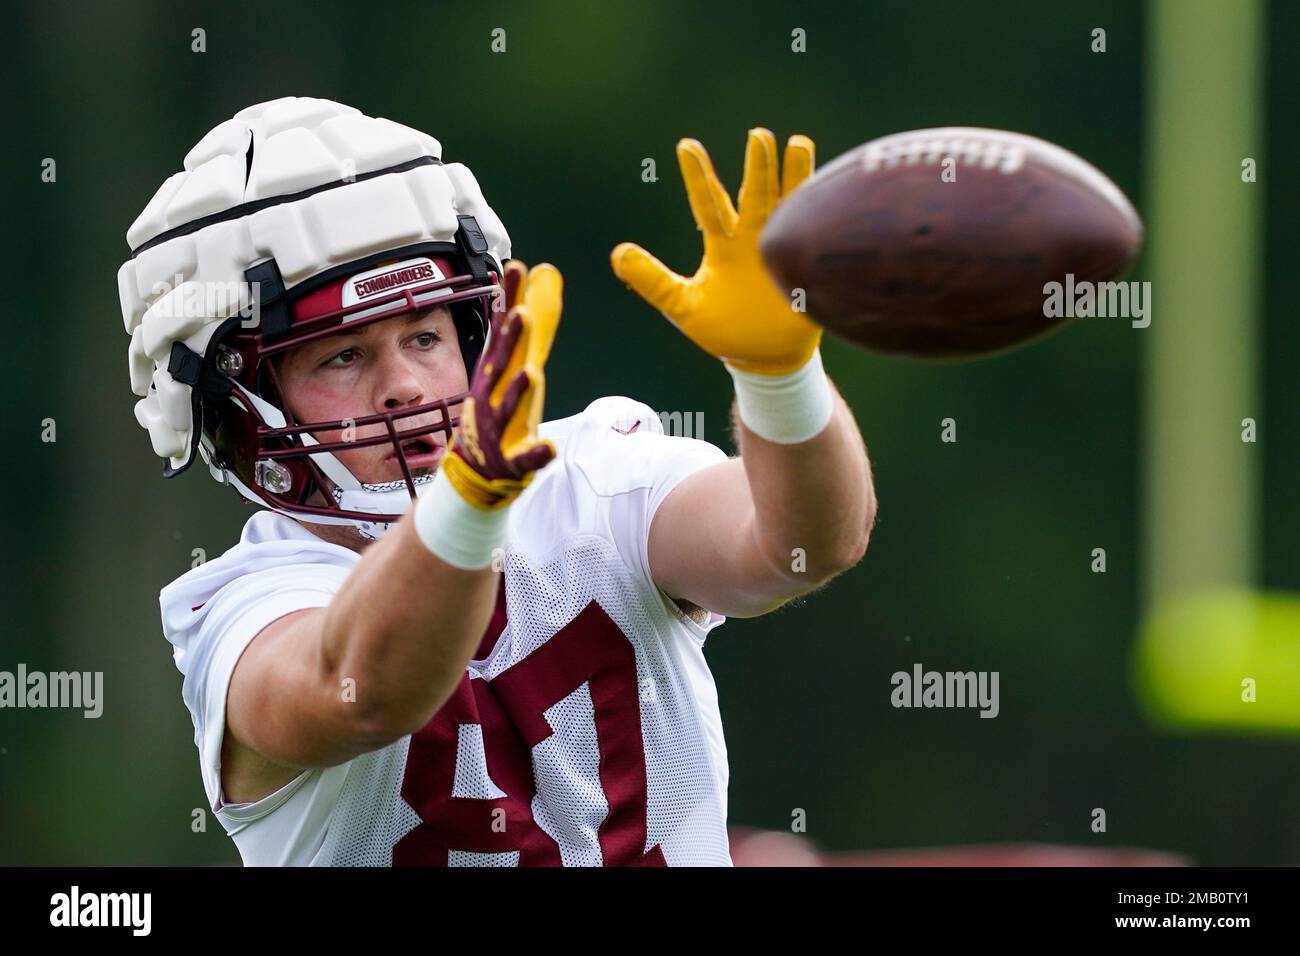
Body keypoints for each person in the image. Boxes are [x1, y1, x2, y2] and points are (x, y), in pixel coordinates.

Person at [119, 97, 876, 865]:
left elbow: (803, 543)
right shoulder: (246, 610)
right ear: (237, 412)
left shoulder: (593, 475)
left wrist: (781, 380)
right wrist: (467, 509)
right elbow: (365, 692)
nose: (404, 387)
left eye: (424, 336)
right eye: (341, 356)